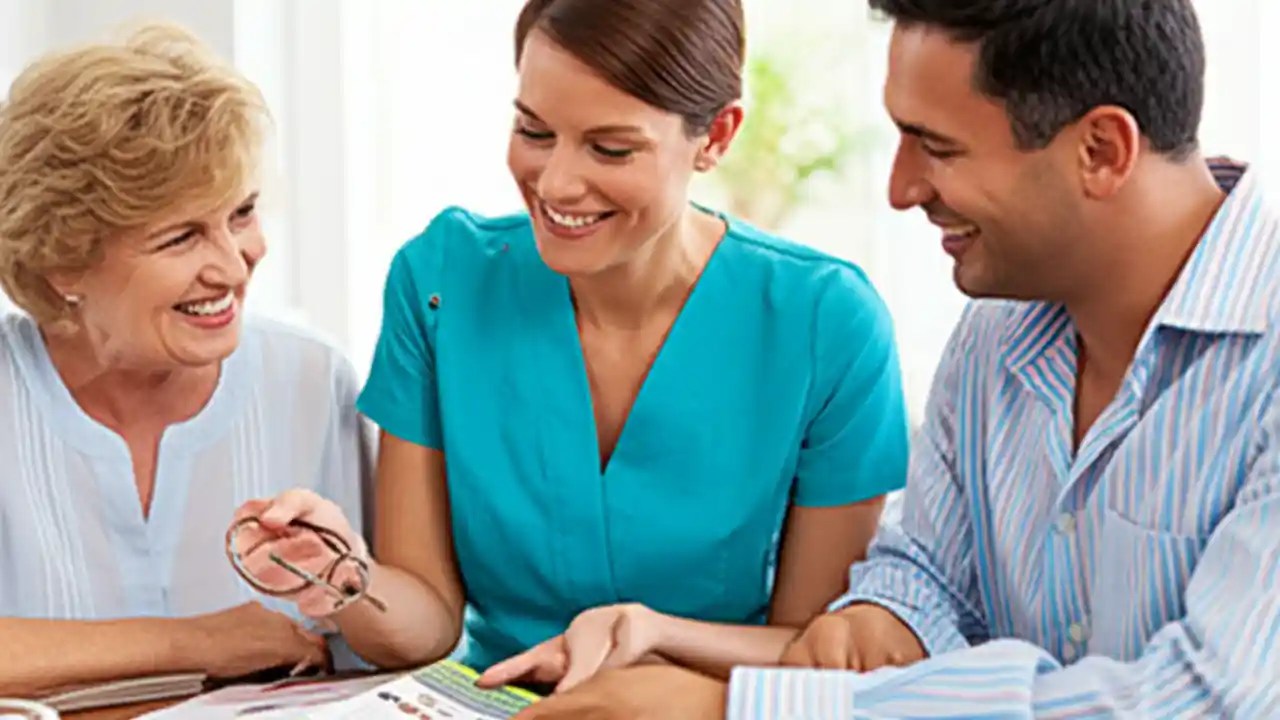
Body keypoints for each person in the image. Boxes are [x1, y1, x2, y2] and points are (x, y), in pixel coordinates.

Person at [508, 0, 1280, 717]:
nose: (901, 188)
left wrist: (731, 708)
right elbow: (930, 579)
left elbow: (1210, 698)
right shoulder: (997, 338)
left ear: (1101, 150)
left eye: (936, 147)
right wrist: (884, 616)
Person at [235, 0, 909, 686]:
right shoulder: (440, 282)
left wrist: (652, 636)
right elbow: (430, 619)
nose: (556, 184)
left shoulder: (828, 323)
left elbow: (814, 654)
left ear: (716, 135)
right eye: (534, 130)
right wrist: (347, 577)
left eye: (611, 148)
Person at [0, 24, 372, 697]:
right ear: (63, 262)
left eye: (242, 214)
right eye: (181, 237)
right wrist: (196, 642)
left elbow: (374, 643)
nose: (233, 266)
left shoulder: (313, 383)